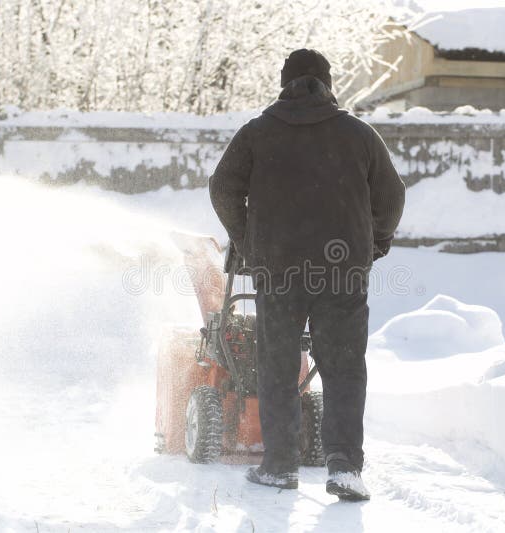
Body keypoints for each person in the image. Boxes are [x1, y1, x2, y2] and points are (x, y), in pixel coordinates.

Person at [209, 49, 405, 501]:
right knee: (344, 368)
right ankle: (344, 469)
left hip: (278, 270)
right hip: (342, 274)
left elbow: (222, 190)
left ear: (284, 83)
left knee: (277, 366)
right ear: (327, 83)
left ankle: (279, 467)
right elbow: (392, 196)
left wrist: (248, 243)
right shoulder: (359, 135)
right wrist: (373, 244)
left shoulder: (257, 134)